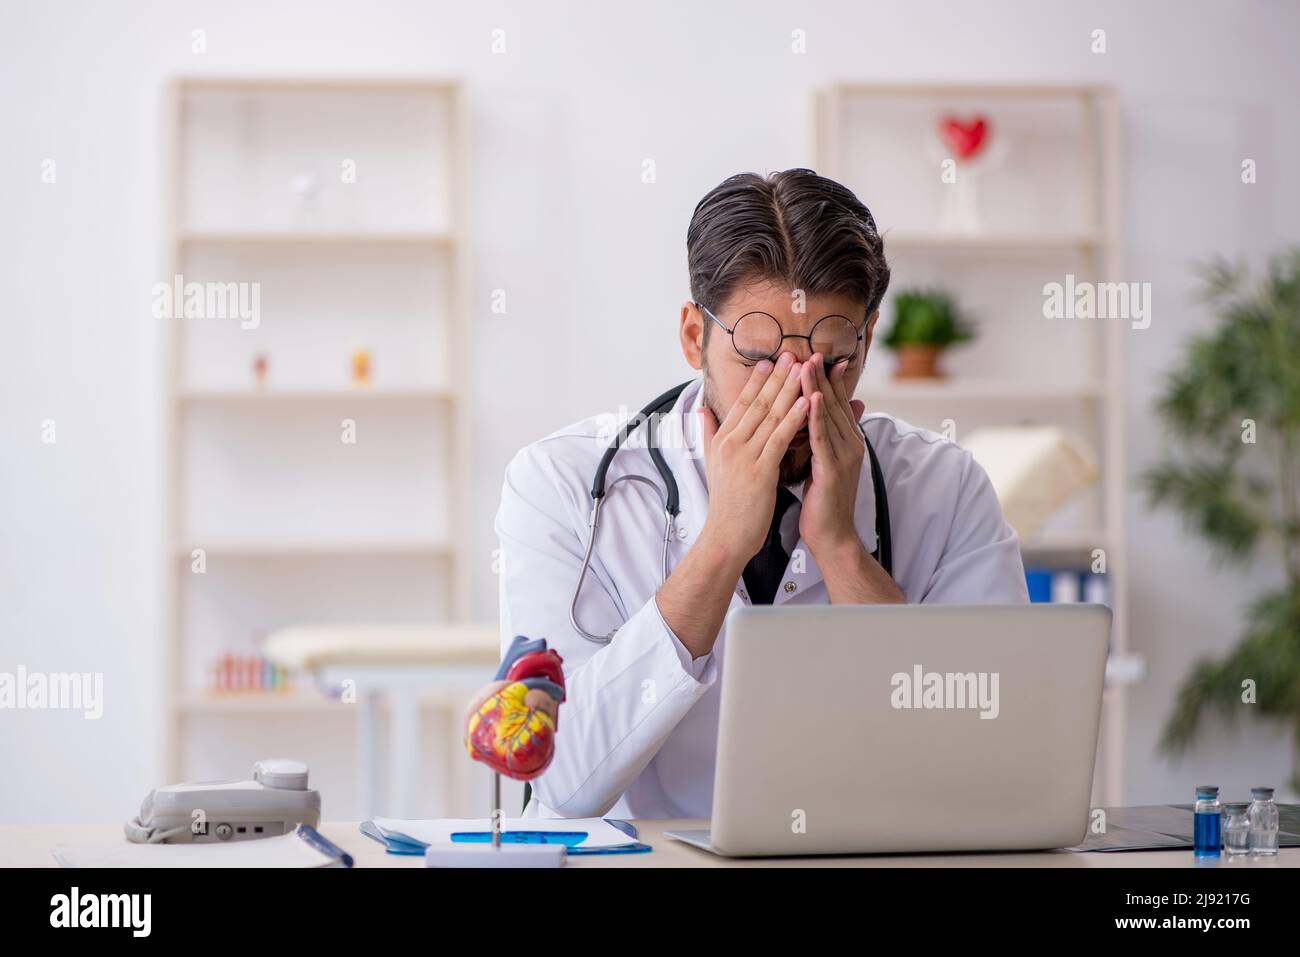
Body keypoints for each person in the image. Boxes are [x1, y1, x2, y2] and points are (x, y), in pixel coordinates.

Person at [495, 169, 1028, 819]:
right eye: (758, 358)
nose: (800, 396)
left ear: (868, 337)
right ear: (695, 335)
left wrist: (841, 549)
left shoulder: (946, 485)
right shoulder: (561, 481)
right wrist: (721, 545)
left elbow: (993, 765)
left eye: (833, 361)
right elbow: (565, 780)